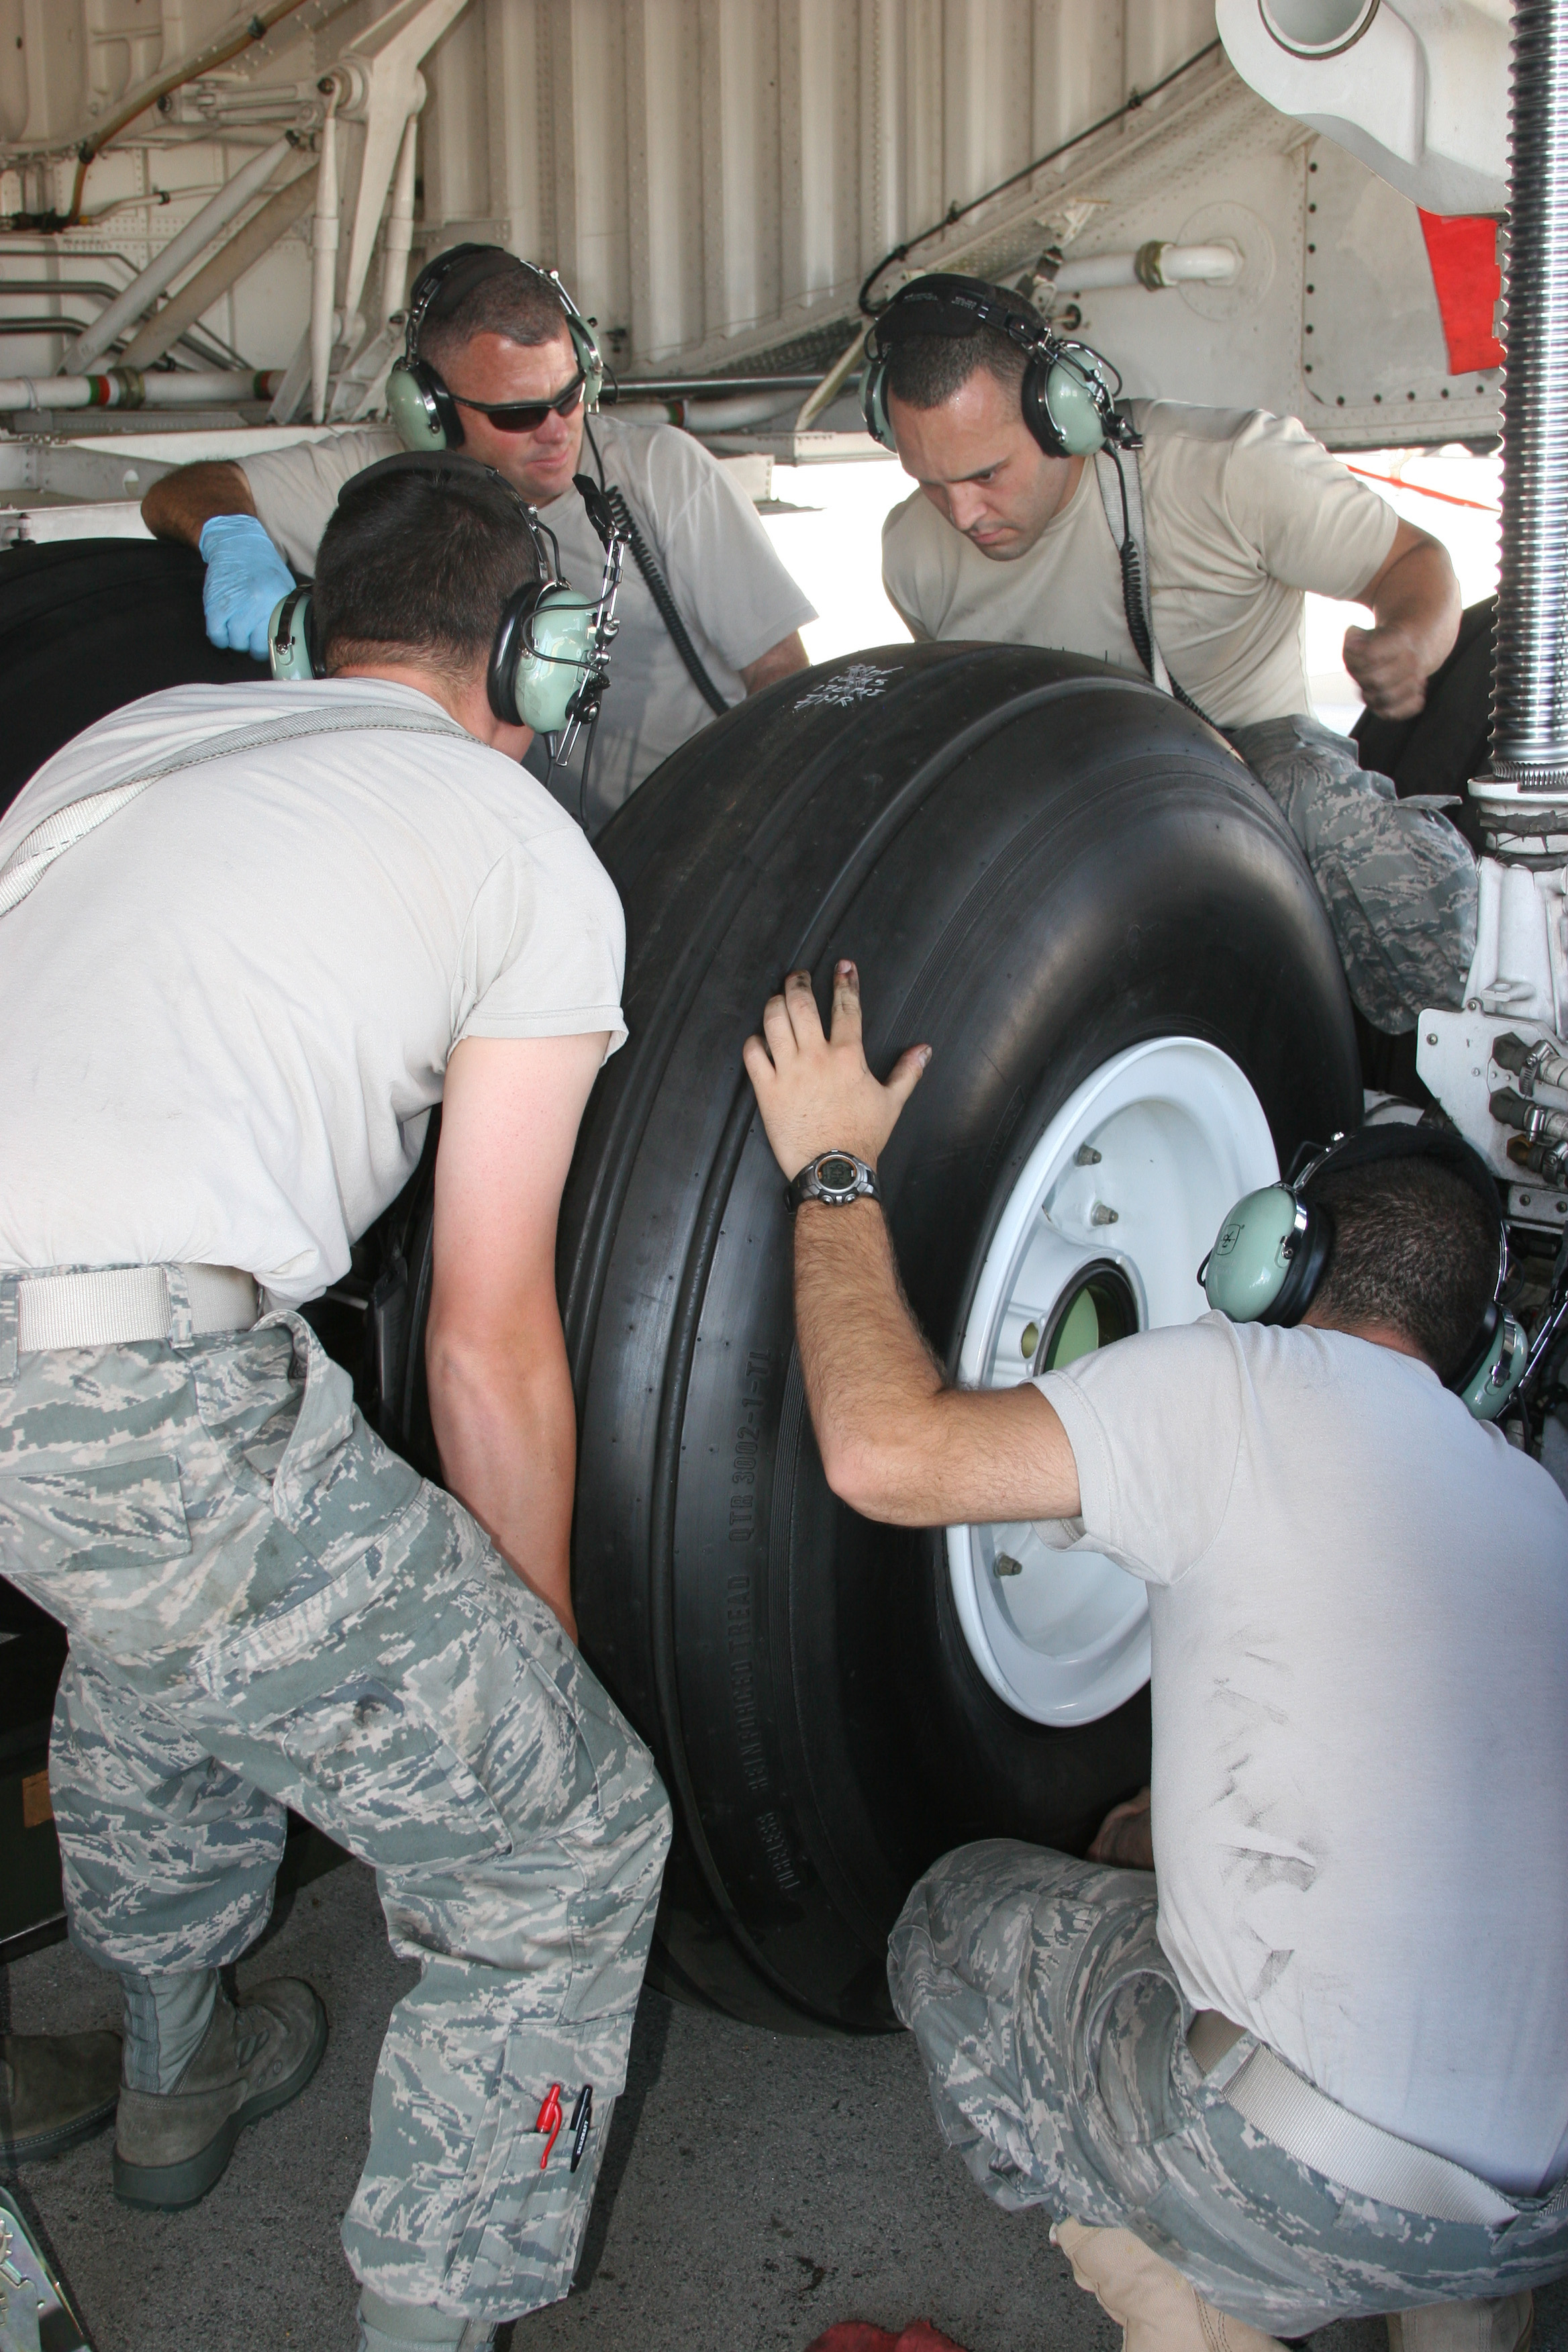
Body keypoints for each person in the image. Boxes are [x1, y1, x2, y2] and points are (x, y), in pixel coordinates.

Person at [0, 455, 672, 2351]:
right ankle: (433, 2326)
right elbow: (485, 1332)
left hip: (73, 1392)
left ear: (309, 623)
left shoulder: (131, 741)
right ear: (537, 667)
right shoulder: (521, 848)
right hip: (124, 1377)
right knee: (564, 1845)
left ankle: (173, 2073)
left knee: (176, 1619)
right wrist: (536, 1669)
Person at [740, 958, 1568, 2352]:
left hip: (1294, 2177)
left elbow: (880, 1452)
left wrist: (831, 1162)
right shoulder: (1536, 1509)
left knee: (955, 1927)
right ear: (1482, 1356)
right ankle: (1454, 2317)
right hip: (1540, 2195)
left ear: (1270, 1256)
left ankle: (1190, 2313)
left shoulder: (1232, 1385)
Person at [870, 273, 1477, 1038]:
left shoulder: (1228, 469)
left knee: (1318, 801)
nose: (962, 514)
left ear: (1063, 414)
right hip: (1061, 781)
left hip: (1251, 769)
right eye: (930, 484)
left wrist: (1409, 641)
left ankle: (1472, 1041)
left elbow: (1411, 562)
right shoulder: (911, 552)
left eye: (985, 474)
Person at [140, 242, 815, 831]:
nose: (556, 431)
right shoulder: (387, 478)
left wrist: (740, 811)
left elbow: (780, 673)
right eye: (518, 413)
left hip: (687, 830)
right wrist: (233, 537)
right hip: (495, 838)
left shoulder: (662, 474)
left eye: (569, 396)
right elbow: (183, 491)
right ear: (429, 413)